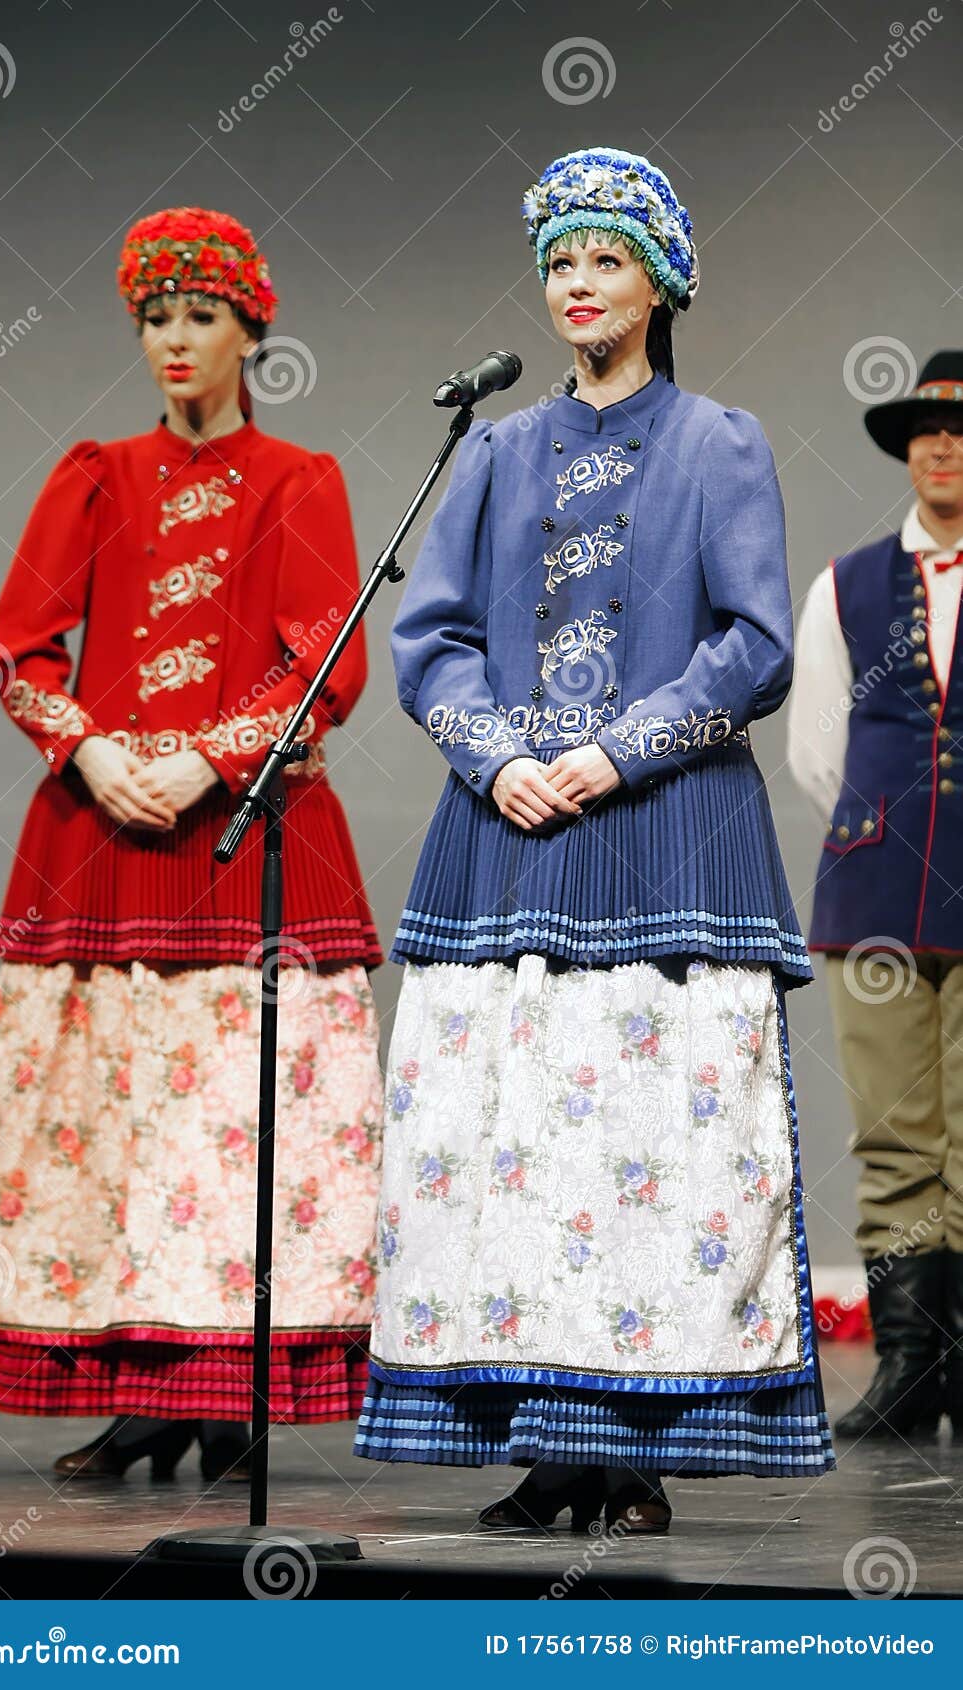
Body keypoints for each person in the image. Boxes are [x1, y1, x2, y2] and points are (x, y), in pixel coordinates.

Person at [352, 147, 834, 1534]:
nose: (575, 284)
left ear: (658, 281)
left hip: (664, 835)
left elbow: (750, 647)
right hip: (504, 838)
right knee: (508, 1133)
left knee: (649, 1137)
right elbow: (428, 634)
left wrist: (610, 749)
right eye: (559, 261)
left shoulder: (717, 442)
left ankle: (629, 1449)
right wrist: (496, 755)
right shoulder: (497, 448)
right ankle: (543, 1440)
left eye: (604, 260)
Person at [0, 206, 385, 1483]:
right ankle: (142, 1391)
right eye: (154, 317)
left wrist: (208, 756)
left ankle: (226, 1386)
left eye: (200, 314)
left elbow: (329, 656)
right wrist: (89, 749)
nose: (175, 339)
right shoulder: (95, 473)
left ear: (252, 326)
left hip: (247, 833)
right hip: (100, 833)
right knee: (115, 1114)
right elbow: (16, 648)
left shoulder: (301, 479)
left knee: (241, 1125)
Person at [788, 351, 963, 1442]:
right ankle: (908, 1366)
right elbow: (816, 750)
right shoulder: (844, 581)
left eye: (960, 431)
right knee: (894, 1132)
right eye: (924, 431)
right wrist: (883, 830)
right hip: (877, 889)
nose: (941, 446)